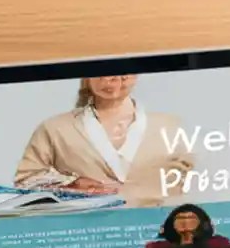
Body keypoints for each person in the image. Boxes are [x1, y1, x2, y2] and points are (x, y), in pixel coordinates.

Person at [14, 75, 193, 206]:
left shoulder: (169, 126)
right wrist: (71, 183)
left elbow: (194, 181)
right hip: (87, 234)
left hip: (158, 232)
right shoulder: (55, 128)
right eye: (102, 72)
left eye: (123, 73)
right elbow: (25, 180)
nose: (112, 79)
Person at [143, 204, 230, 248]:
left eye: (190, 218)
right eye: (180, 218)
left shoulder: (219, 246)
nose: (185, 222)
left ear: (201, 222)